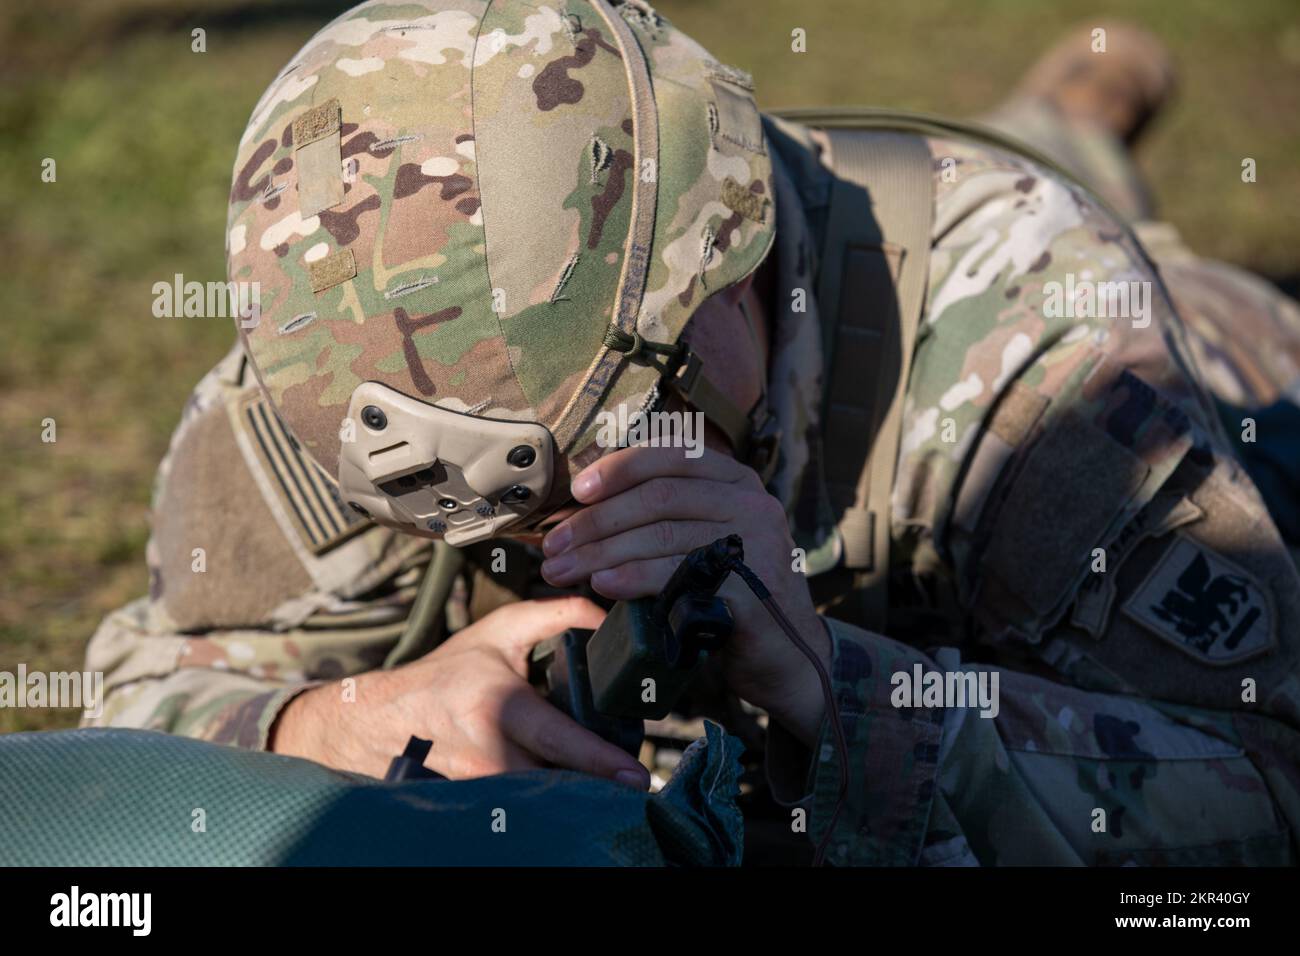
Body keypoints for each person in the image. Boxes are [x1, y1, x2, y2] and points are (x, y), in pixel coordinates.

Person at [83, 0, 1300, 865]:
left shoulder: (1035, 353)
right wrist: (335, 720)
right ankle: (1071, 102)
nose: (556, 540)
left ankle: (1083, 104)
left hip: (1208, 336)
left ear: (731, 270)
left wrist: (841, 692)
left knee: (1208, 298)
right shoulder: (331, 360)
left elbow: (1265, 780)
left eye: (589, 456)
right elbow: (136, 692)